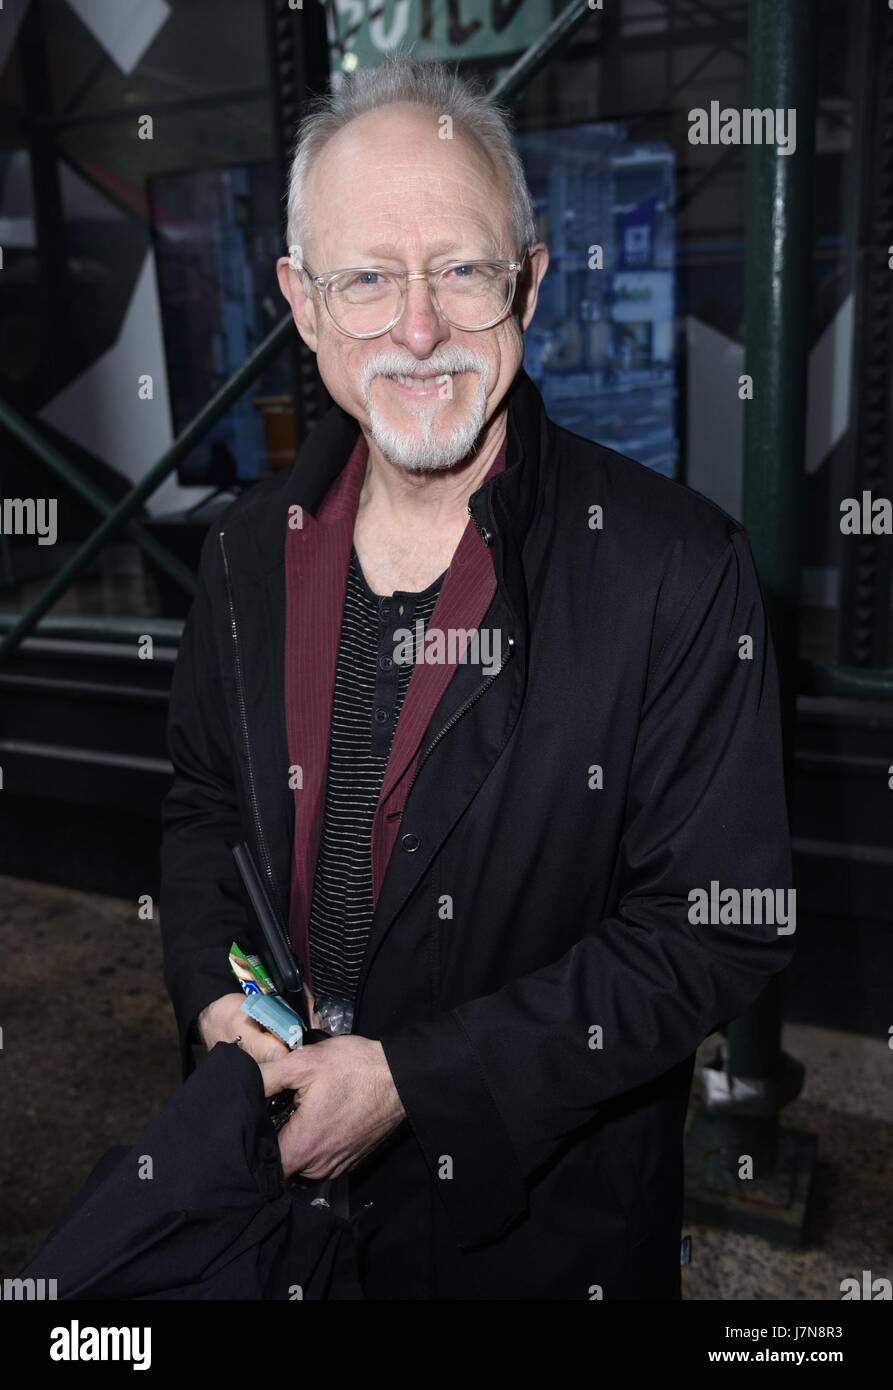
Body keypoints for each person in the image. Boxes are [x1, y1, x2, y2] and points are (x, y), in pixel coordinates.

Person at [159, 55, 794, 1300]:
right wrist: (212, 1000)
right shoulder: (244, 551)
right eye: (365, 278)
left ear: (532, 283)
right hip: (269, 1202)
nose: (416, 329)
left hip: (536, 1235)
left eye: (460, 269)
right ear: (299, 297)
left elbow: (712, 930)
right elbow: (202, 810)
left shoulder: (674, 569)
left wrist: (412, 1082)